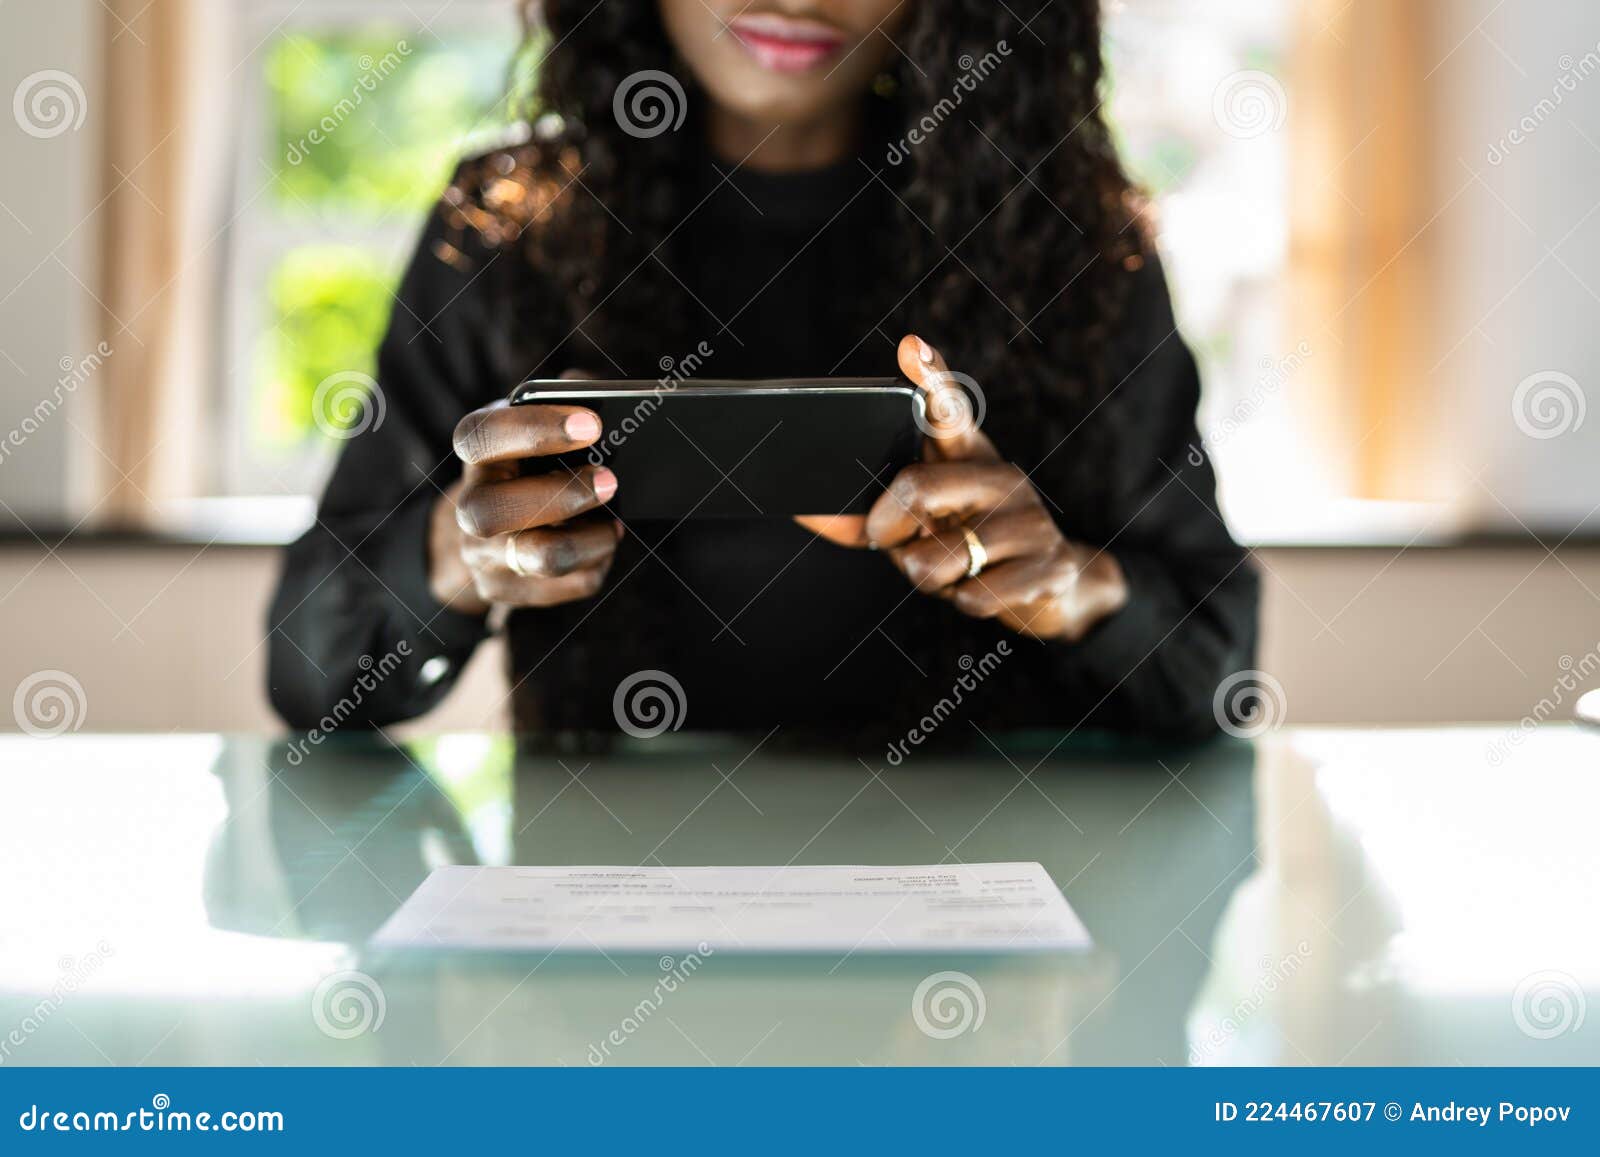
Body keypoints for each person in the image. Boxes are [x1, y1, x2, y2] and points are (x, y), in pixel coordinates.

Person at [267, 0, 1259, 741]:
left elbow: (1221, 672)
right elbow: (307, 672)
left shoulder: (1070, 244)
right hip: (607, 925)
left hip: (976, 930)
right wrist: (455, 555)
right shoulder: (510, 226)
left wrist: (1070, 585)